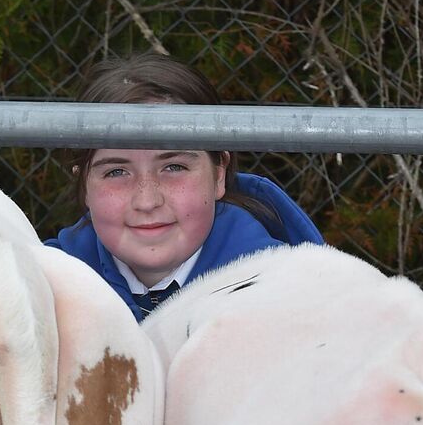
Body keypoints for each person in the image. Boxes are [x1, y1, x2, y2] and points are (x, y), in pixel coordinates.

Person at [44, 52, 324, 322]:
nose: (147, 201)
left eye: (174, 167)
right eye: (117, 172)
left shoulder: (289, 296)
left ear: (219, 174)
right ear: (84, 186)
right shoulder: (41, 289)